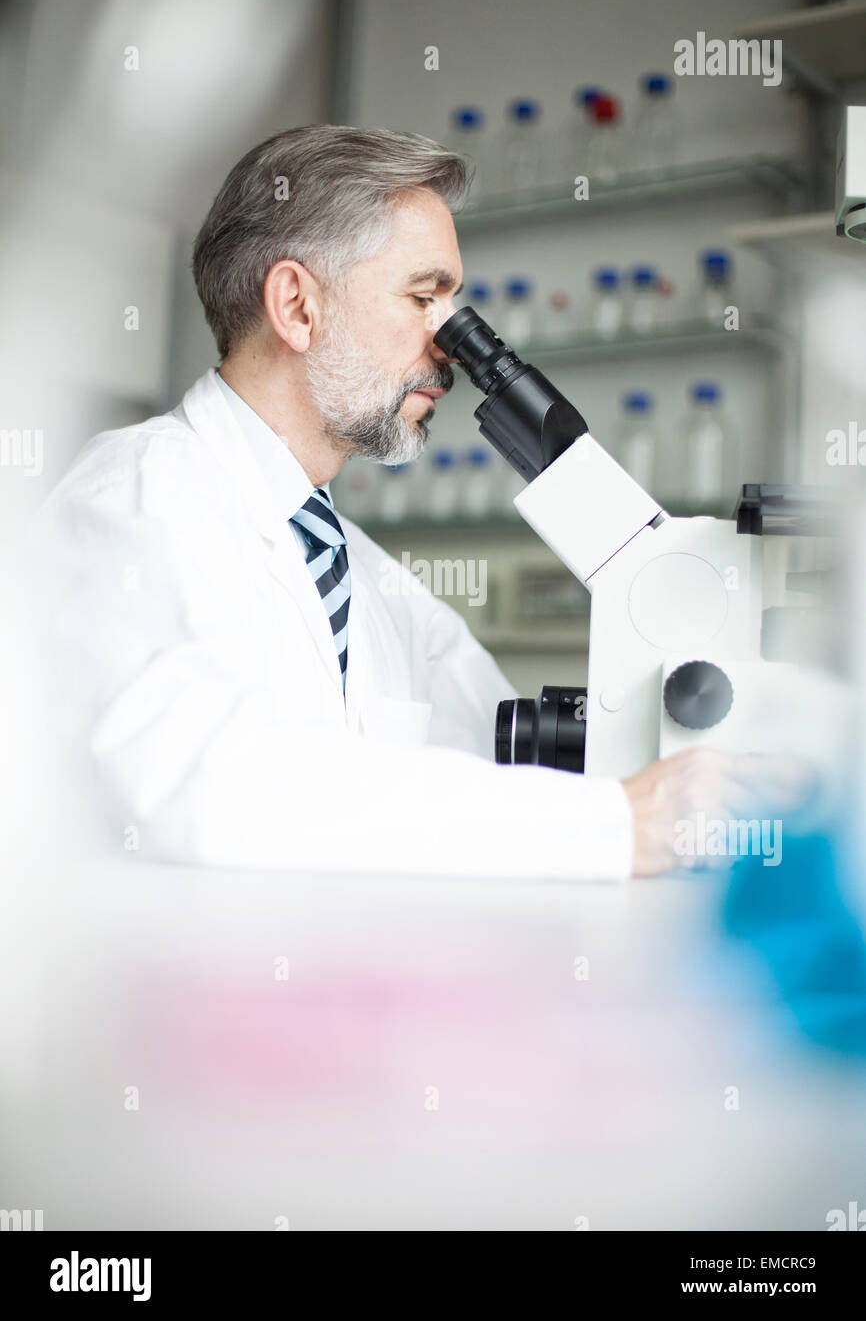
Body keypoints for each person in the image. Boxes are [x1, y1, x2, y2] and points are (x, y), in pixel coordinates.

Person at [27, 126, 811, 880]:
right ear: (298, 307)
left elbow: (503, 748)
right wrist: (610, 827)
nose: (448, 343)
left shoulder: (359, 573)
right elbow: (205, 785)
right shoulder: (135, 497)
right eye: (422, 297)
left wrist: (713, 778)